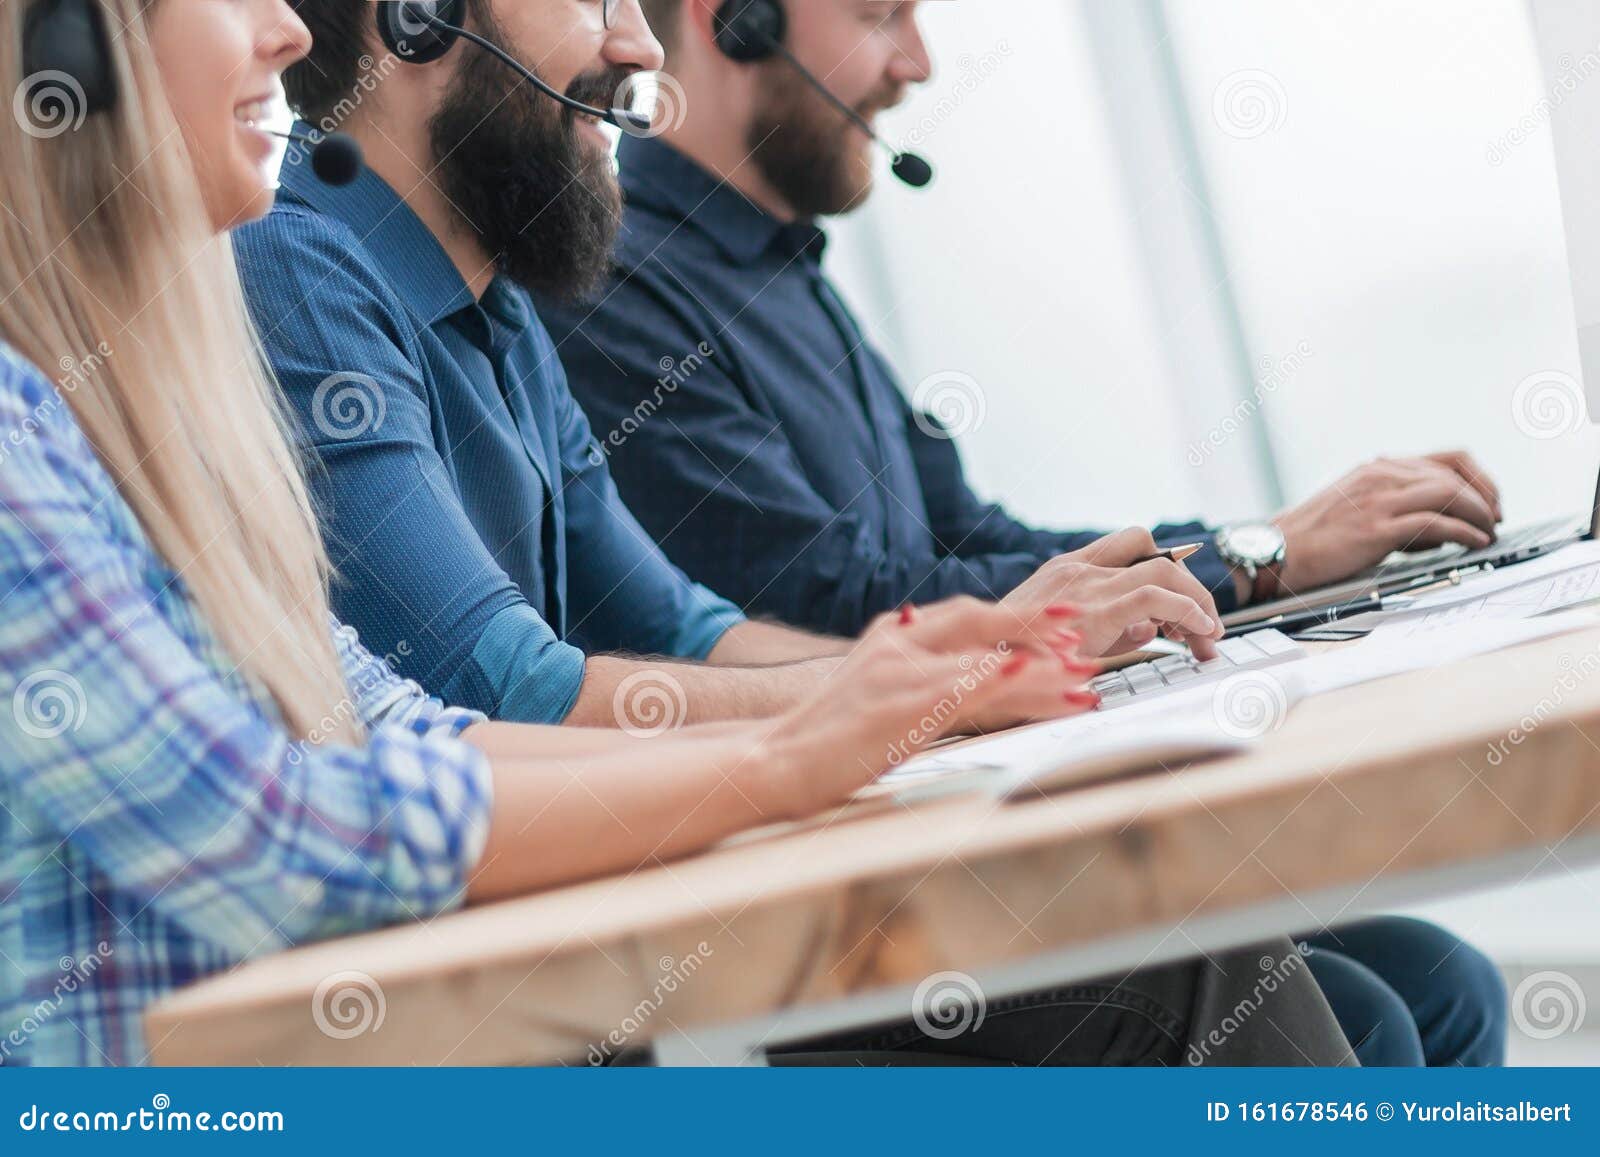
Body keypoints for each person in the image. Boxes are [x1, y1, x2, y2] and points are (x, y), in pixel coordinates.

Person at [0, 0, 1354, 1069]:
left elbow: (422, 714)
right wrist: (791, 748)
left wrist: (905, 694)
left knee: (1277, 975)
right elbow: (294, 827)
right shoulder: (157, 361)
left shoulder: (124, 411)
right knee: (1198, 983)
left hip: (451, 1049)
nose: (283, 30)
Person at [537, 0, 1508, 1066]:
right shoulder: (617, 289)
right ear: (739, 23)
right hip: (853, 895)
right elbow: (837, 596)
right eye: (879, 16)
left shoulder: (781, 271)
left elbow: (968, 533)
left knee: (1434, 976)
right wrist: (1247, 555)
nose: (916, 62)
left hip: (944, 822)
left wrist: (1239, 557)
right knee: (1362, 1010)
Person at [233, 0, 1239, 738]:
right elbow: (508, 685)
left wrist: (977, 656)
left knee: (1343, 974)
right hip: (512, 1001)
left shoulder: (497, 296)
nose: (638, 45)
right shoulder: (299, 270)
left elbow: (683, 626)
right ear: (415, 19)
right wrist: (945, 683)